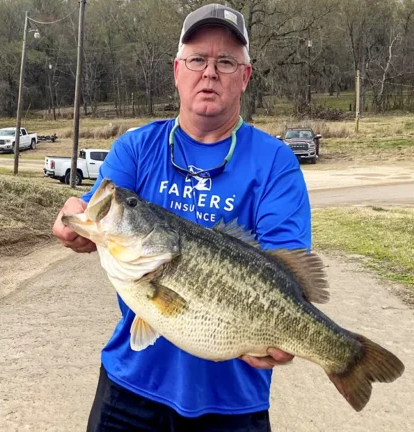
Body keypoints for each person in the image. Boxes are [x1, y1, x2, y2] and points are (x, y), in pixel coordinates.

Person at [52, 4, 312, 430]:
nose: (209, 72)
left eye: (226, 61)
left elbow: (288, 268)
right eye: (197, 59)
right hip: (129, 390)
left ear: (244, 77)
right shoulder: (136, 147)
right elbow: (88, 208)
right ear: (177, 70)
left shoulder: (276, 163)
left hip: (233, 404)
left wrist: (287, 332)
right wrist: (71, 216)